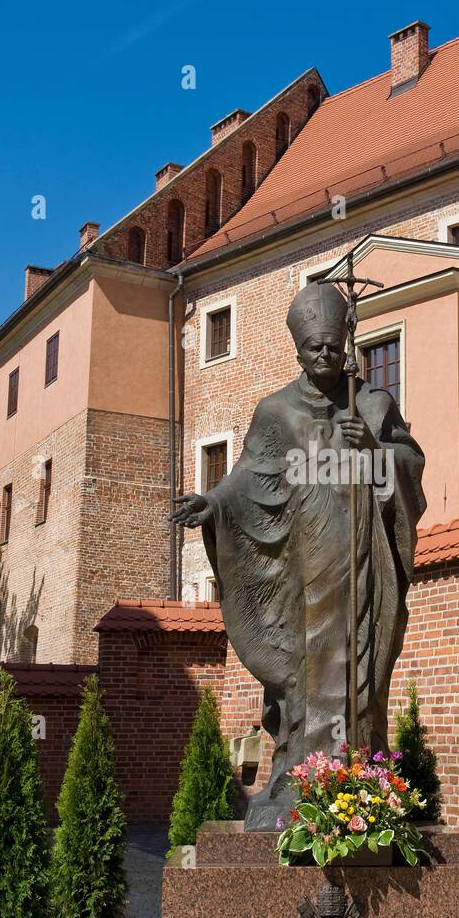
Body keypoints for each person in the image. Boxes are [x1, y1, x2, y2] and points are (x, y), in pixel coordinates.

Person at [174, 279, 426, 831]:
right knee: (308, 669)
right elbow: (247, 481)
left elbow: (409, 467)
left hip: (365, 558)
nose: (326, 357)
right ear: (298, 350)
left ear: (347, 344)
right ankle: (304, 778)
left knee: (363, 666)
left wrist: (375, 451)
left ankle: (361, 783)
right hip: (303, 564)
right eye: (316, 349)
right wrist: (213, 506)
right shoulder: (277, 413)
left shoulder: (373, 403)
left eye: (334, 348)